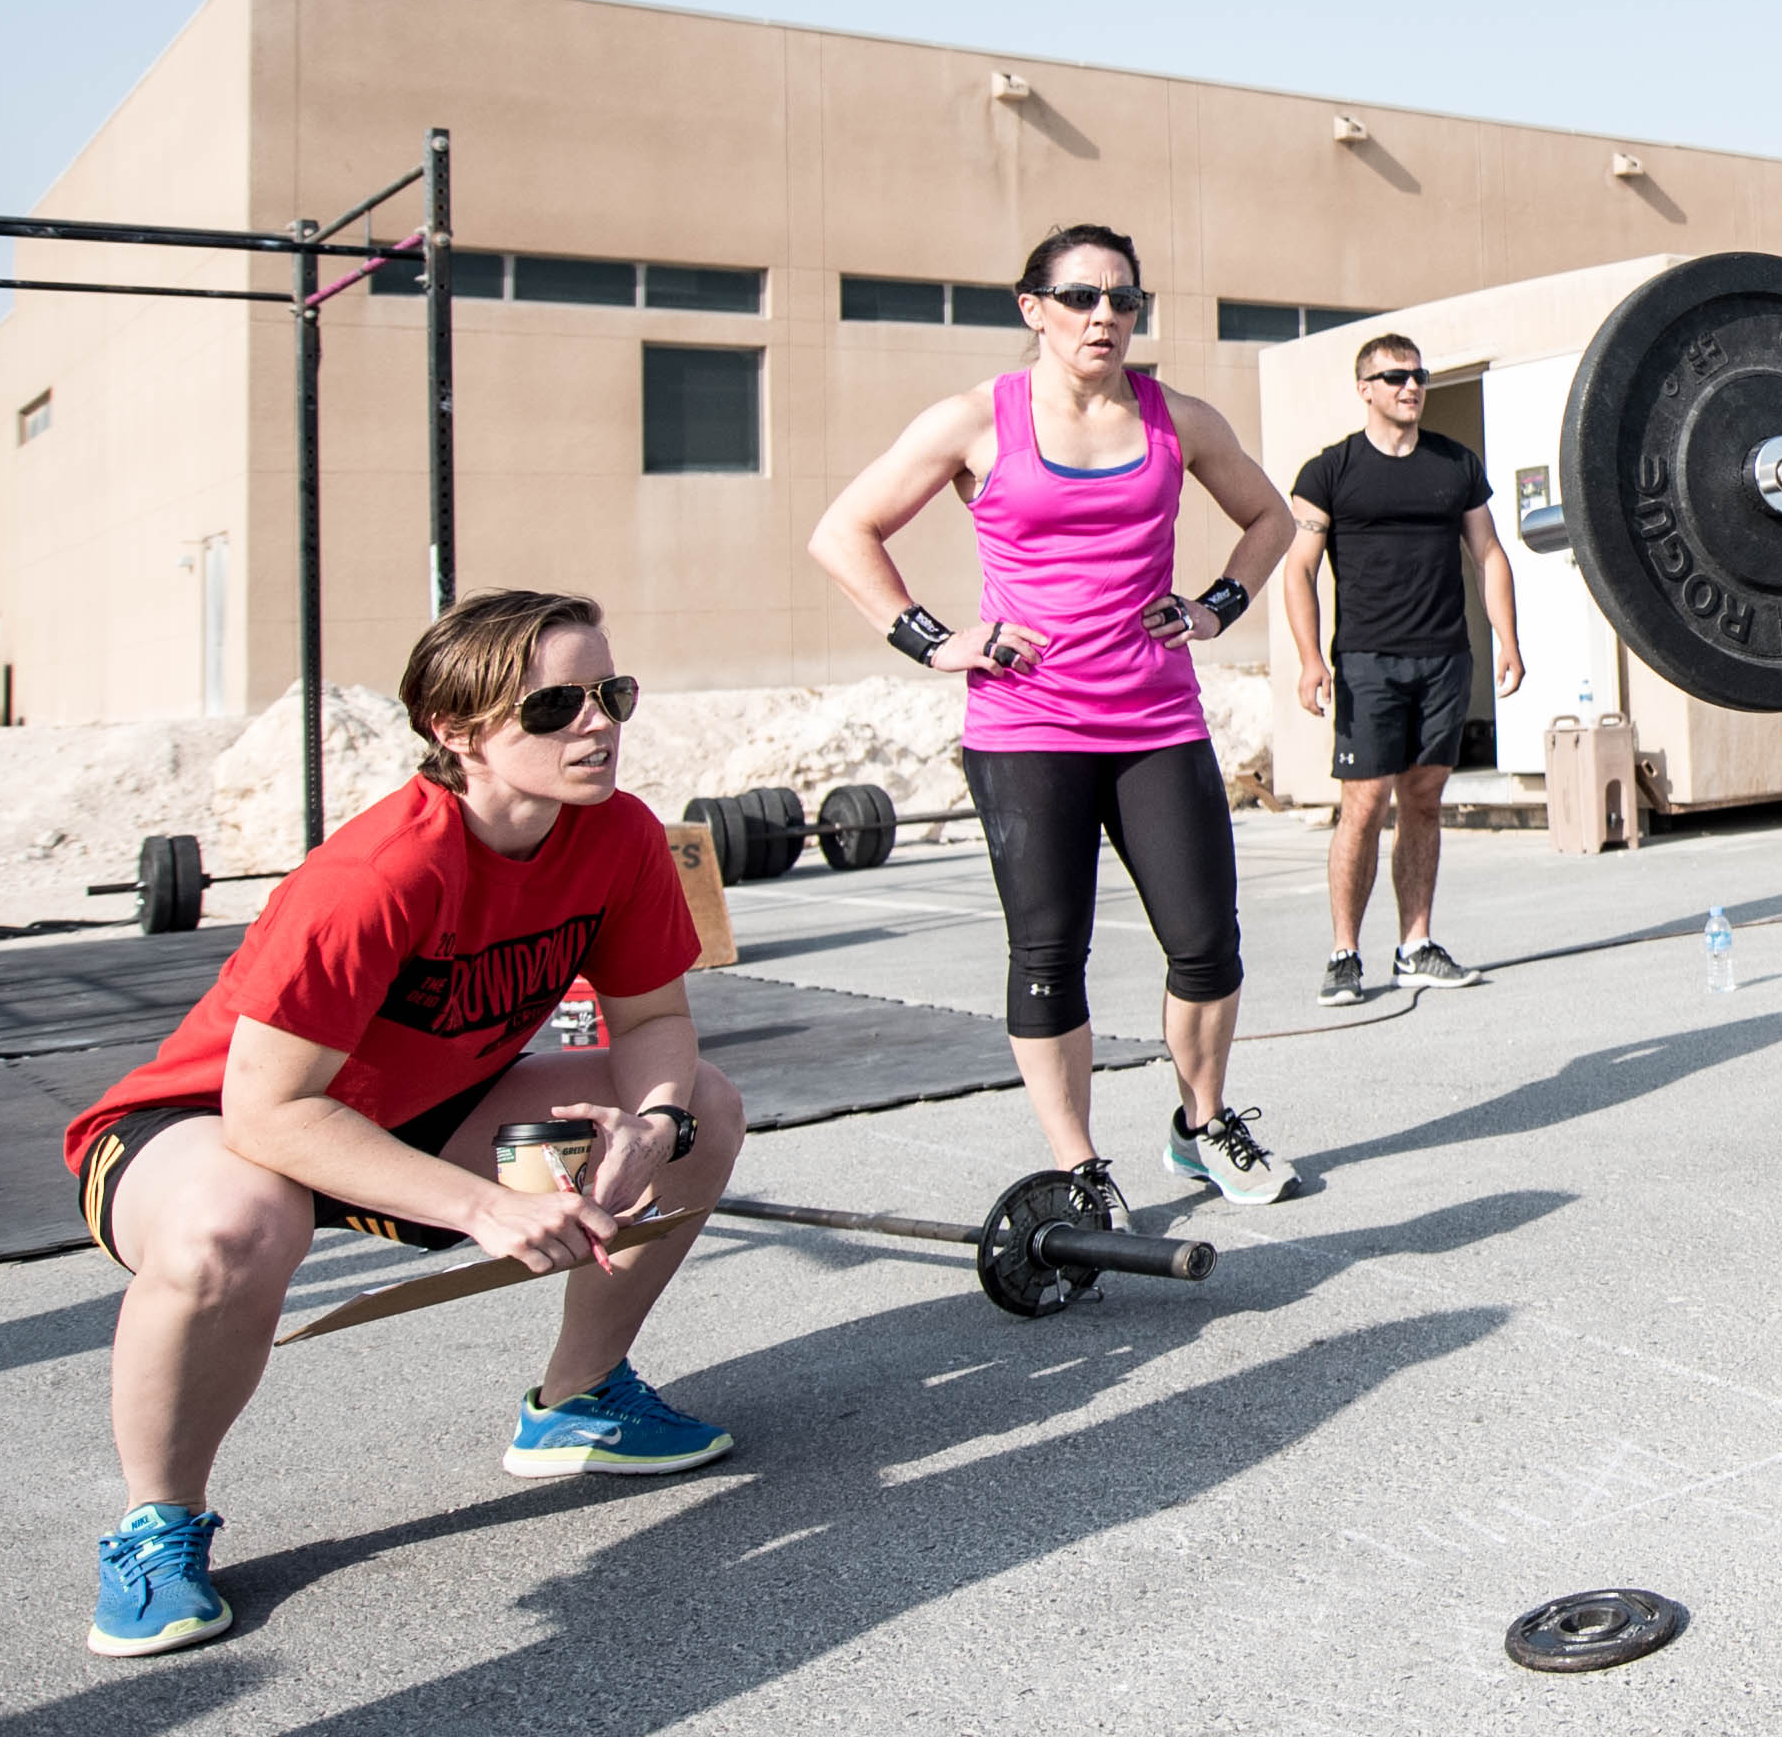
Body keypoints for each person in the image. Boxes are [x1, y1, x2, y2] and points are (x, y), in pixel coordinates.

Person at [66, 588, 748, 1660]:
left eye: (611, 693)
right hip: (202, 1126)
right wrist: (482, 1207)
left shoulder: (617, 835)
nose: (598, 722)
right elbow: (268, 1109)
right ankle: (156, 1523)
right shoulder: (379, 873)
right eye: (557, 704)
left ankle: (577, 1400)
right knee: (238, 1223)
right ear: (457, 729)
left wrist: (654, 1122)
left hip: (419, 1115)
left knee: (705, 1101)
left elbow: (654, 1019)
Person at [810, 224, 1303, 1213]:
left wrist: (1216, 606)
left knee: (1206, 942)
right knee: (1048, 953)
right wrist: (931, 637)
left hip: (1156, 718)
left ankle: (1202, 1123)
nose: (1105, 317)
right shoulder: (973, 421)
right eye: (1081, 296)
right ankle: (1080, 1166)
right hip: (1026, 727)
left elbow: (1272, 519)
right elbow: (842, 530)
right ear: (1032, 306)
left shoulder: (1178, 419)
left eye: (1124, 300)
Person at [1276, 327, 1522, 996]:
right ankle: (1343, 955)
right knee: (1362, 806)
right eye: (1395, 377)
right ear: (1365, 390)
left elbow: (1489, 552)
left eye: (1418, 375)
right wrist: (1308, 660)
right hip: (1366, 663)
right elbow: (1297, 571)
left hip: (1444, 658)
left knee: (1424, 803)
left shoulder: (1455, 464)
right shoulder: (1330, 471)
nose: (1412, 386)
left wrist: (1508, 638)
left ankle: (1416, 944)